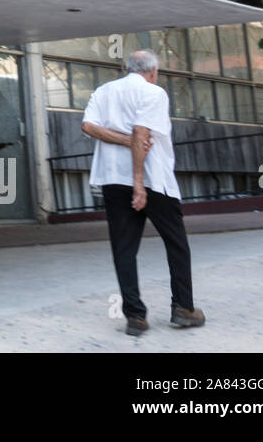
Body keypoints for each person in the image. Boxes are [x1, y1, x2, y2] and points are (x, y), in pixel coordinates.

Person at [82, 49, 205, 336]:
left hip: (113, 178)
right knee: (176, 244)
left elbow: (88, 126)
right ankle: (183, 309)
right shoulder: (154, 92)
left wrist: (121, 139)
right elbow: (141, 133)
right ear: (152, 72)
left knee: (124, 249)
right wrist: (138, 183)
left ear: (128, 68)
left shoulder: (104, 91)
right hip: (153, 181)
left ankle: (135, 317)